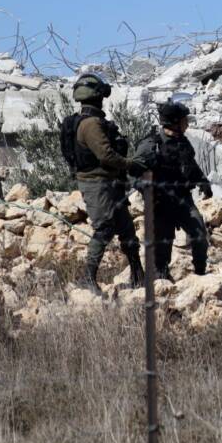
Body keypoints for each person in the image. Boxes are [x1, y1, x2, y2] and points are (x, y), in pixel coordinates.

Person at [67, 72, 146, 291]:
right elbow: (106, 156)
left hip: (109, 183)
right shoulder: (91, 124)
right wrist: (131, 164)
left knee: (126, 229)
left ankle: (138, 274)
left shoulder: (92, 121)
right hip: (97, 184)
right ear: (98, 95)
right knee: (104, 228)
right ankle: (87, 277)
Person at [135, 100, 213, 279]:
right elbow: (132, 172)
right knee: (163, 247)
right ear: (175, 122)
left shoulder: (183, 142)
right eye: (185, 120)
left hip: (183, 200)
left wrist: (202, 181)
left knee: (199, 234)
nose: (187, 123)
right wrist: (146, 188)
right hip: (160, 204)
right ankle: (162, 281)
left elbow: (191, 165)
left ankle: (200, 274)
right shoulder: (151, 145)